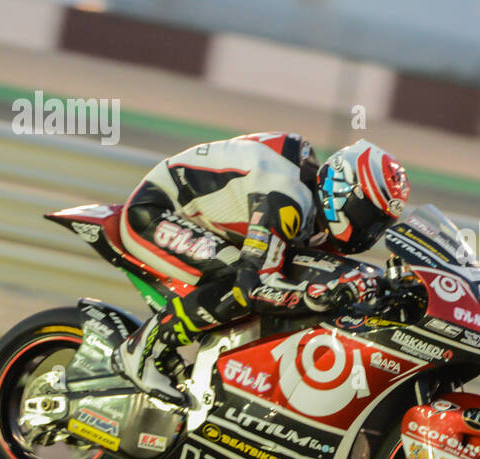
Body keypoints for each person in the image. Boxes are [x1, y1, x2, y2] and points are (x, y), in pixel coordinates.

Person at [114, 132, 410, 403]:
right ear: (344, 190)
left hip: (208, 224)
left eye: (379, 225)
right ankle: (142, 351)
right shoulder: (286, 198)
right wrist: (316, 295)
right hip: (157, 211)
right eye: (368, 216)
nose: (370, 232)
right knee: (236, 282)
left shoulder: (314, 207)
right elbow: (252, 288)